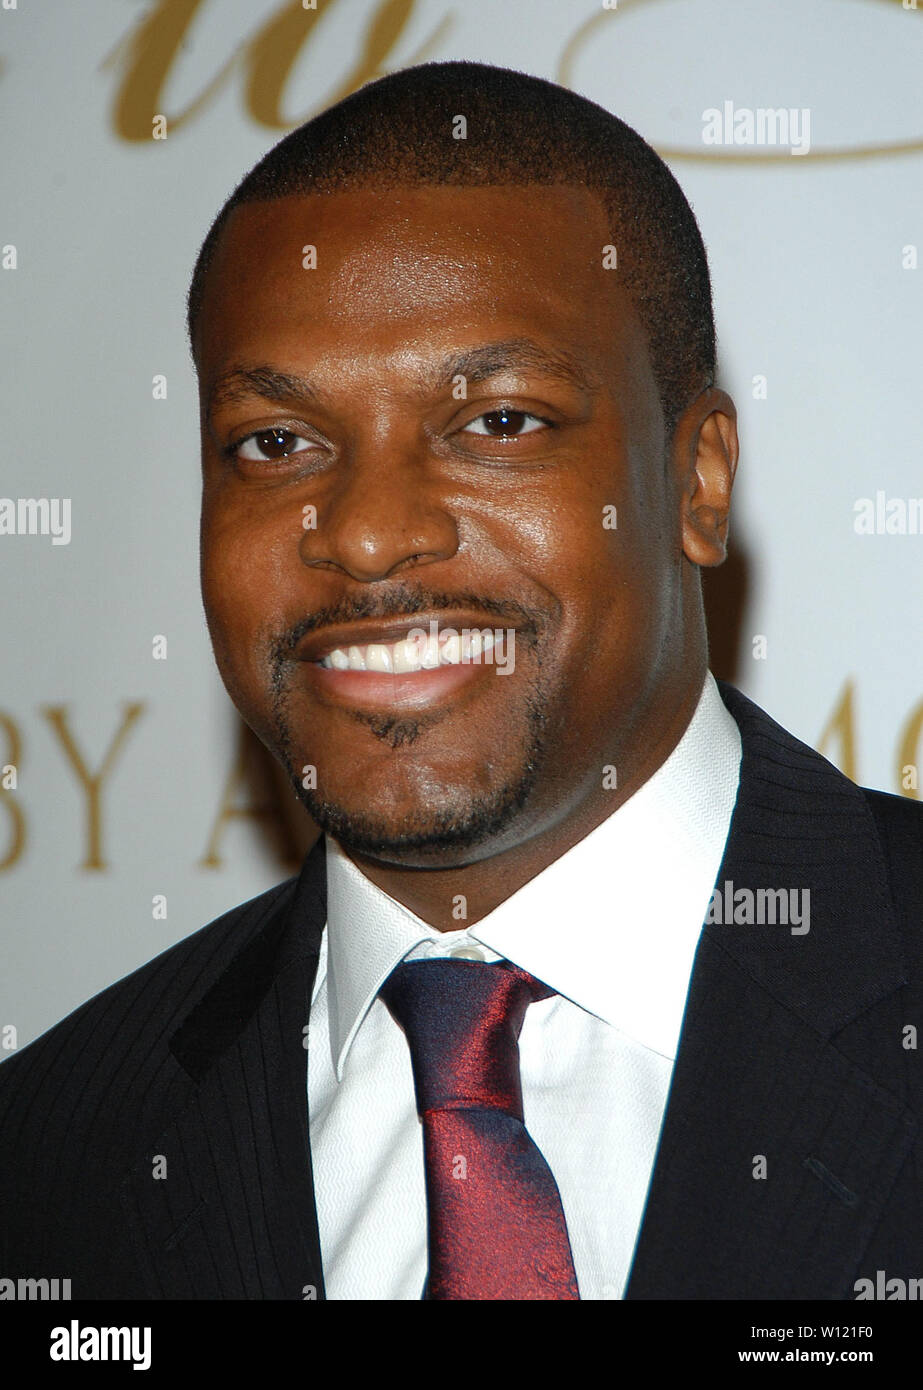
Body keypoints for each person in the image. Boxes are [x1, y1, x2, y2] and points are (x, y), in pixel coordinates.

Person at [1, 60, 920, 1302]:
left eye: (497, 421)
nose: (369, 534)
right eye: (277, 443)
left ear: (696, 480)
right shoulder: (51, 1156)